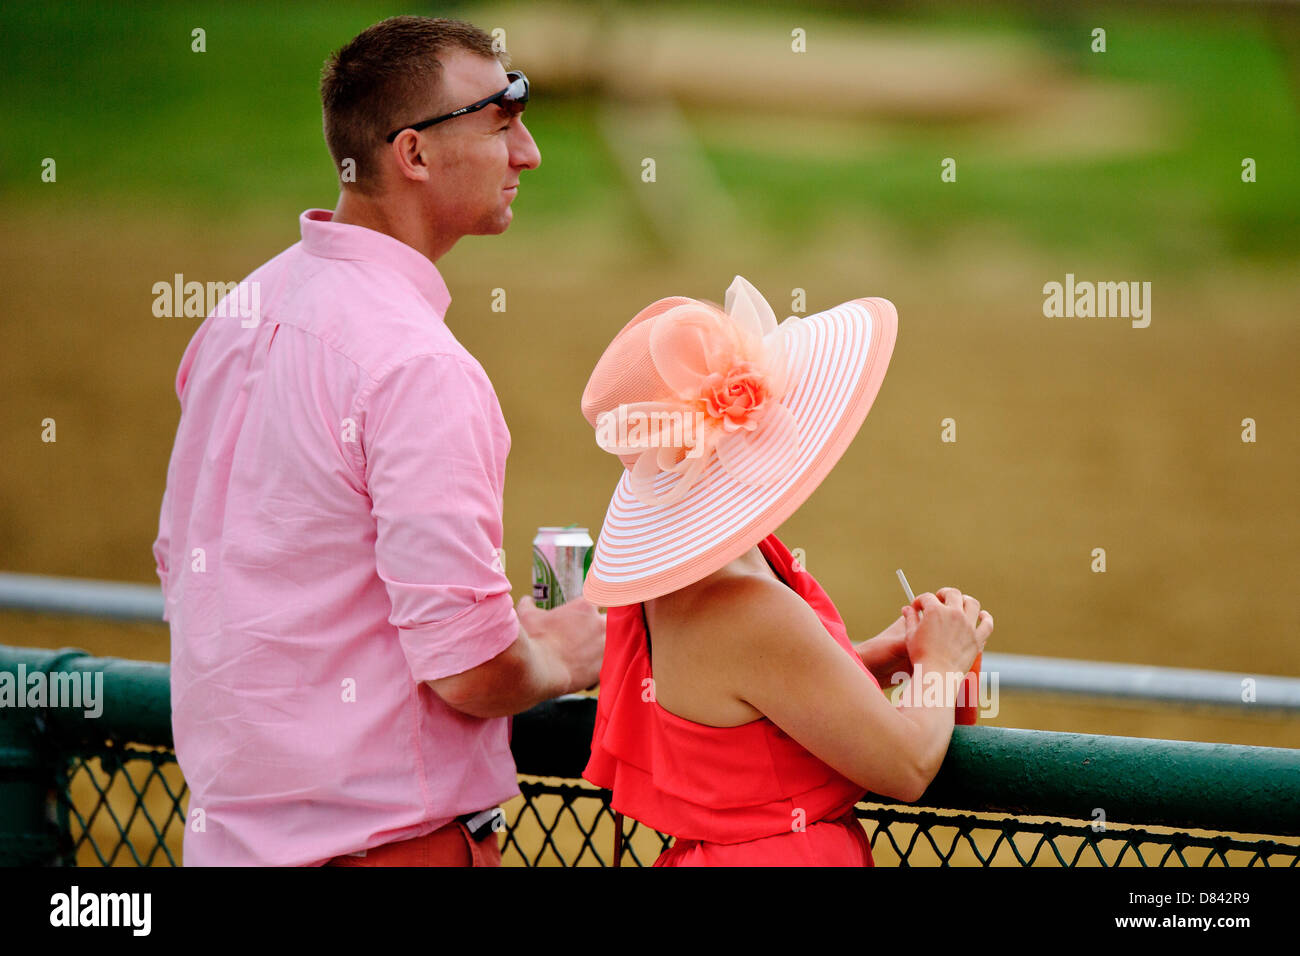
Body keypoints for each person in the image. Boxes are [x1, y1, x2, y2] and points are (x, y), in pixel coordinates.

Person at [152, 16, 603, 867]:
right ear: (415, 154)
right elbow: (468, 672)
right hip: (391, 848)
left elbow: (198, 563)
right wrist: (556, 656)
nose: (529, 153)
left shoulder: (237, 313)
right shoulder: (419, 366)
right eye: (503, 124)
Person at [579, 276, 993, 865]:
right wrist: (941, 664)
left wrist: (877, 655)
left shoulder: (680, 584)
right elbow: (906, 764)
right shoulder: (747, 601)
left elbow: (758, 697)